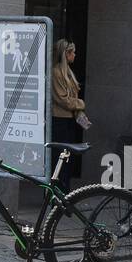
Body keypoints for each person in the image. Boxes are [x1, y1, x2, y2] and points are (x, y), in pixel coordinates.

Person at [50, 39, 88, 188]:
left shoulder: (68, 73)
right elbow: (63, 99)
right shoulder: (56, 72)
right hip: (59, 120)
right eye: (72, 52)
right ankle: (58, 192)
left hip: (70, 119)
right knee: (59, 158)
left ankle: (64, 192)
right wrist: (81, 104)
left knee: (67, 159)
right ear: (66, 54)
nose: (75, 55)